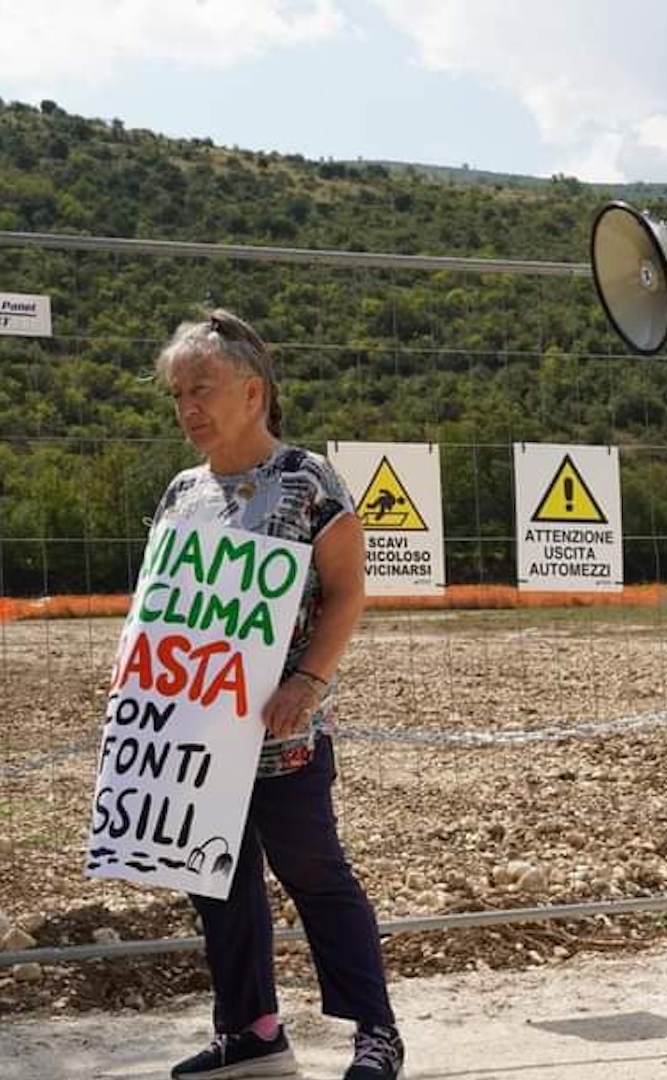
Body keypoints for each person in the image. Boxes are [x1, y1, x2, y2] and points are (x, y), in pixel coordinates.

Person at [150, 310, 403, 1080]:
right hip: (199, 737)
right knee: (214, 879)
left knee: (316, 875)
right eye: (177, 394)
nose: (188, 408)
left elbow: (348, 592)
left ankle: (376, 1033)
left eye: (202, 389)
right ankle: (251, 1032)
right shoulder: (182, 494)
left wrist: (307, 682)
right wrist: (142, 683)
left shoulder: (308, 481)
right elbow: (163, 609)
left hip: (285, 735)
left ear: (252, 392)